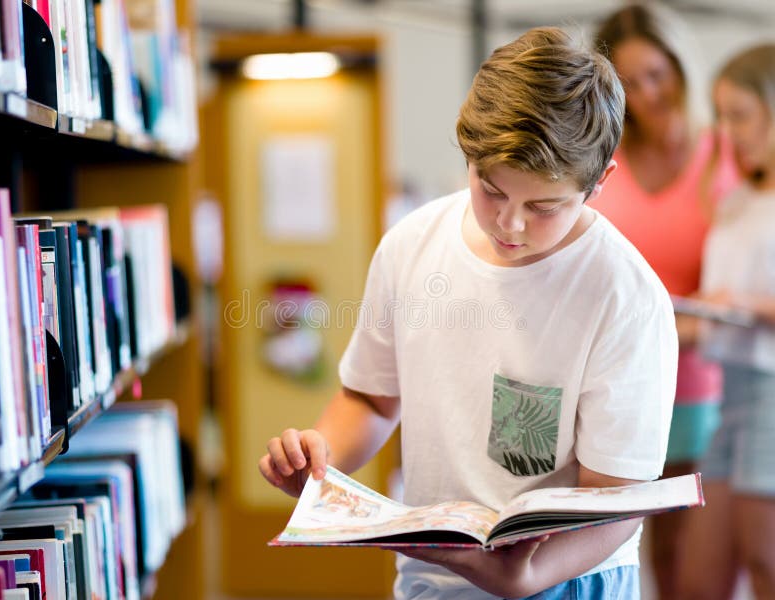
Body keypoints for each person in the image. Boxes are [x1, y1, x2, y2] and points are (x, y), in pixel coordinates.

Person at [260, 27, 678, 599]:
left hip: (572, 579)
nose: (509, 223)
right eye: (491, 189)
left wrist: (527, 576)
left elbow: (617, 498)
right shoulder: (411, 246)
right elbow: (371, 399)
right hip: (432, 578)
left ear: (598, 183)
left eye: (542, 206)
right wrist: (320, 461)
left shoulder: (625, 296)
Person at [590, 4, 738, 596]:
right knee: (607, 548)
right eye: (627, 81)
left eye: (657, 74)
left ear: (681, 68)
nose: (645, 93)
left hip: (702, 386)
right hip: (615, 382)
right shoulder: (601, 154)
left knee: (686, 561)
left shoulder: (725, 156)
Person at [676, 44, 775, 600]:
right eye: (722, 116)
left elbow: (738, 304)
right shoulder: (734, 202)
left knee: (766, 563)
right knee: (698, 578)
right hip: (727, 396)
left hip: (771, 395)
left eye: (741, 114)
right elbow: (719, 318)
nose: (728, 131)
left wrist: (742, 302)